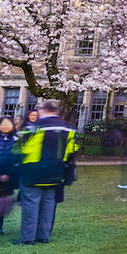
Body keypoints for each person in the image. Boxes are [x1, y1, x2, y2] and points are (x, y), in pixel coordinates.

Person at [11, 99, 78, 246]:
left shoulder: (33, 128)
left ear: (42, 110)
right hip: (56, 171)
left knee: (31, 205)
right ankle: (43, 235)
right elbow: (72, 150)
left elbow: (19, 148)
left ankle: (28, 238)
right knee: (48, 204)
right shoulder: (69, 129)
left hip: (33, 172)